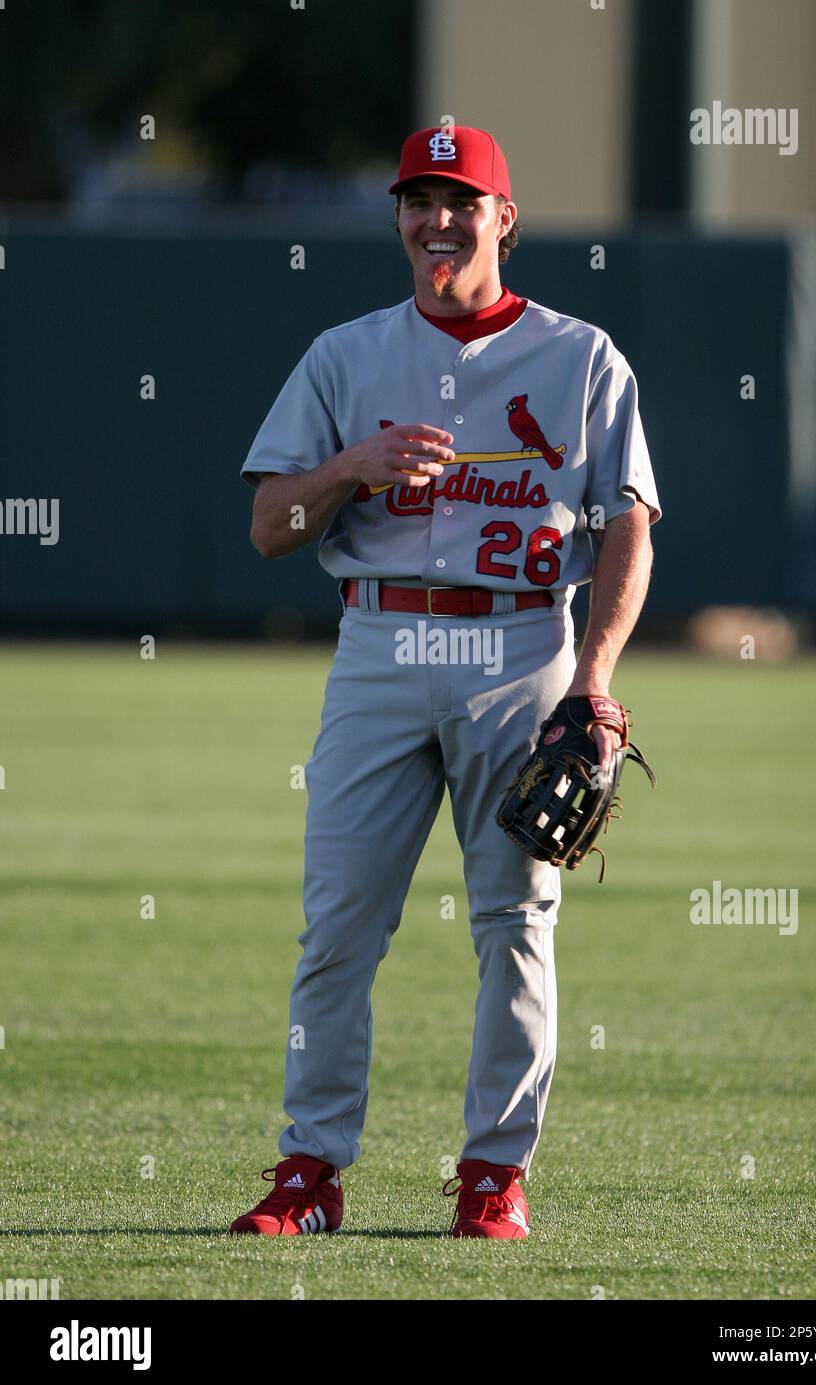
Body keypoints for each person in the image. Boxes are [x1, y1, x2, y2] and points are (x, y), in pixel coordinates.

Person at [229, 125, 661, 1239]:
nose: (437, 221)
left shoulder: (581, 358)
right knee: (337, 928)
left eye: (460, 200)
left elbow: (628, 529)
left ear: (503, 218)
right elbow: (270, 528)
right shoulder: (345, 355)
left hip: (521, 649)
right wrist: (345, 470)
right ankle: (309, 1175)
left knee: (517, 921)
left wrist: (596, 680)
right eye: (417, 201)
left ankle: (492, 1176)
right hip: (379, 644)